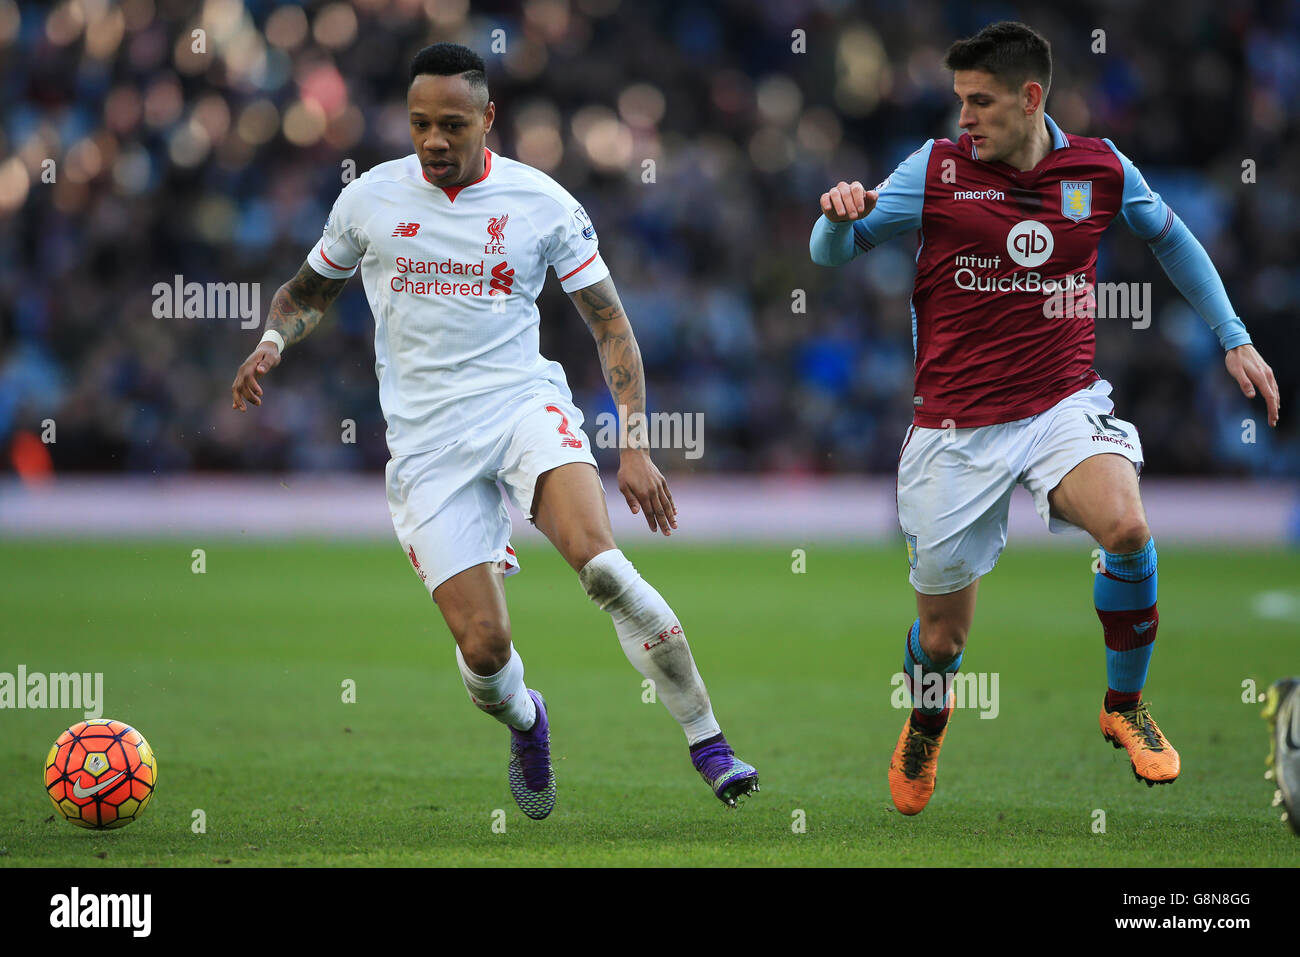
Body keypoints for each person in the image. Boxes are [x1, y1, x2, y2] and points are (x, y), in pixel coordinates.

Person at [231, 43, 758, 819]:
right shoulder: (370, 199)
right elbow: (305, 291)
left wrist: (635, 445)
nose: (434, 140)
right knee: (484, 651)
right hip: (425, 445)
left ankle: (709, 742)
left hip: (521, 407)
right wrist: (272, 340)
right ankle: (527, 718)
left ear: (488, 118)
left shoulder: (541, 203)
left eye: (451, 123)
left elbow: (610, 324)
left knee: (603, 567)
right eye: (419, 124)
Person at [809, 21, 1279, 815]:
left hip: (1061, 403)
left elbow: (1174, 240)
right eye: (958, 101)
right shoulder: (934, 169)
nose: (963, 119)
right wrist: (836, 214)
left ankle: (1123, 703)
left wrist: (1234, 338)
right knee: (942, 640)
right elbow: (831, 252)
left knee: (1127, 528)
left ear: (1031, 99)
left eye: (980, 102)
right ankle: (928, 716)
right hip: (953, 429)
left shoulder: (1098, 168)